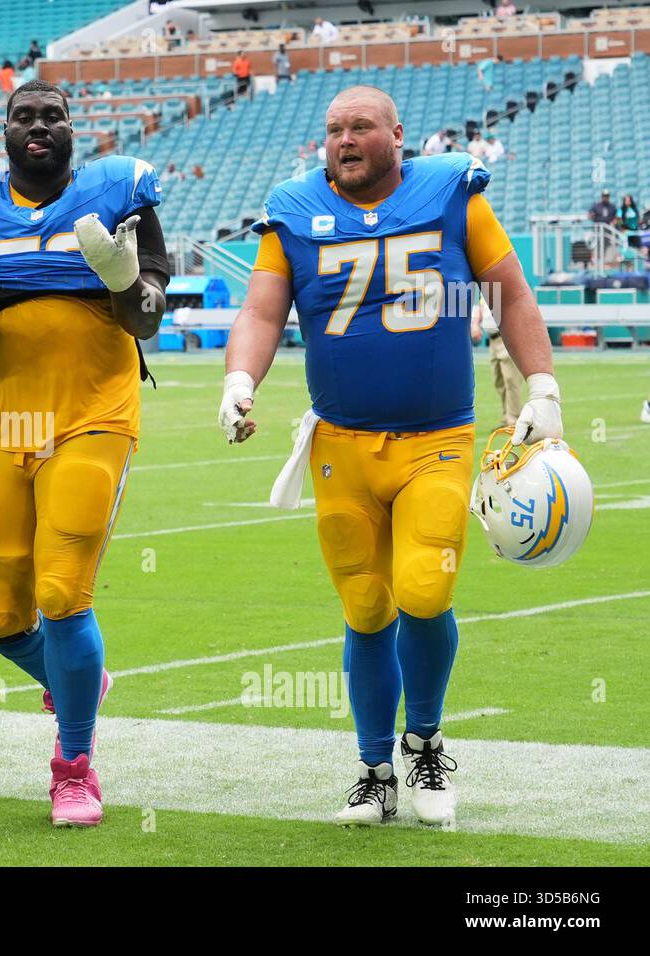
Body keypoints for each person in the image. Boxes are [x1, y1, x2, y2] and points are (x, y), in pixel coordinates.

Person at [219, 85, 562, 829]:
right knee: (366, 606)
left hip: (436, 438)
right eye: (335, 129)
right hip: (341, 445)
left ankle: (426, 739)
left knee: (424, 591)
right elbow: (262, 309)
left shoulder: (451, 192)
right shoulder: (292, 210)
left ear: (397, 135)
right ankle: (374, 769)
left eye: (361, 127)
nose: (344, 139)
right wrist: (241, 380)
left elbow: (510, 291)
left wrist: (543, 386)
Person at [0, 80, 169, 828]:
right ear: (2, 130)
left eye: (52, 116)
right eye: (23, 116)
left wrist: (126, 277)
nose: (38, 127)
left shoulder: (120, 192)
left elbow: (149, 317)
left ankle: (75, 765)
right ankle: (77, 681)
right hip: (10, 423)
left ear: (74, 129)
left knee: (63, 594)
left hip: (95, 415)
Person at [470, 294, 523, 428]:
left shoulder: (503, 283)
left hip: (506, 336)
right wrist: (476, 324)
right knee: (499, 381)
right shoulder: (486, 288)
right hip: (493, 340)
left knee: (511, 380)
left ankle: (514, 420)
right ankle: (507, 417)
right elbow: (482, 308)